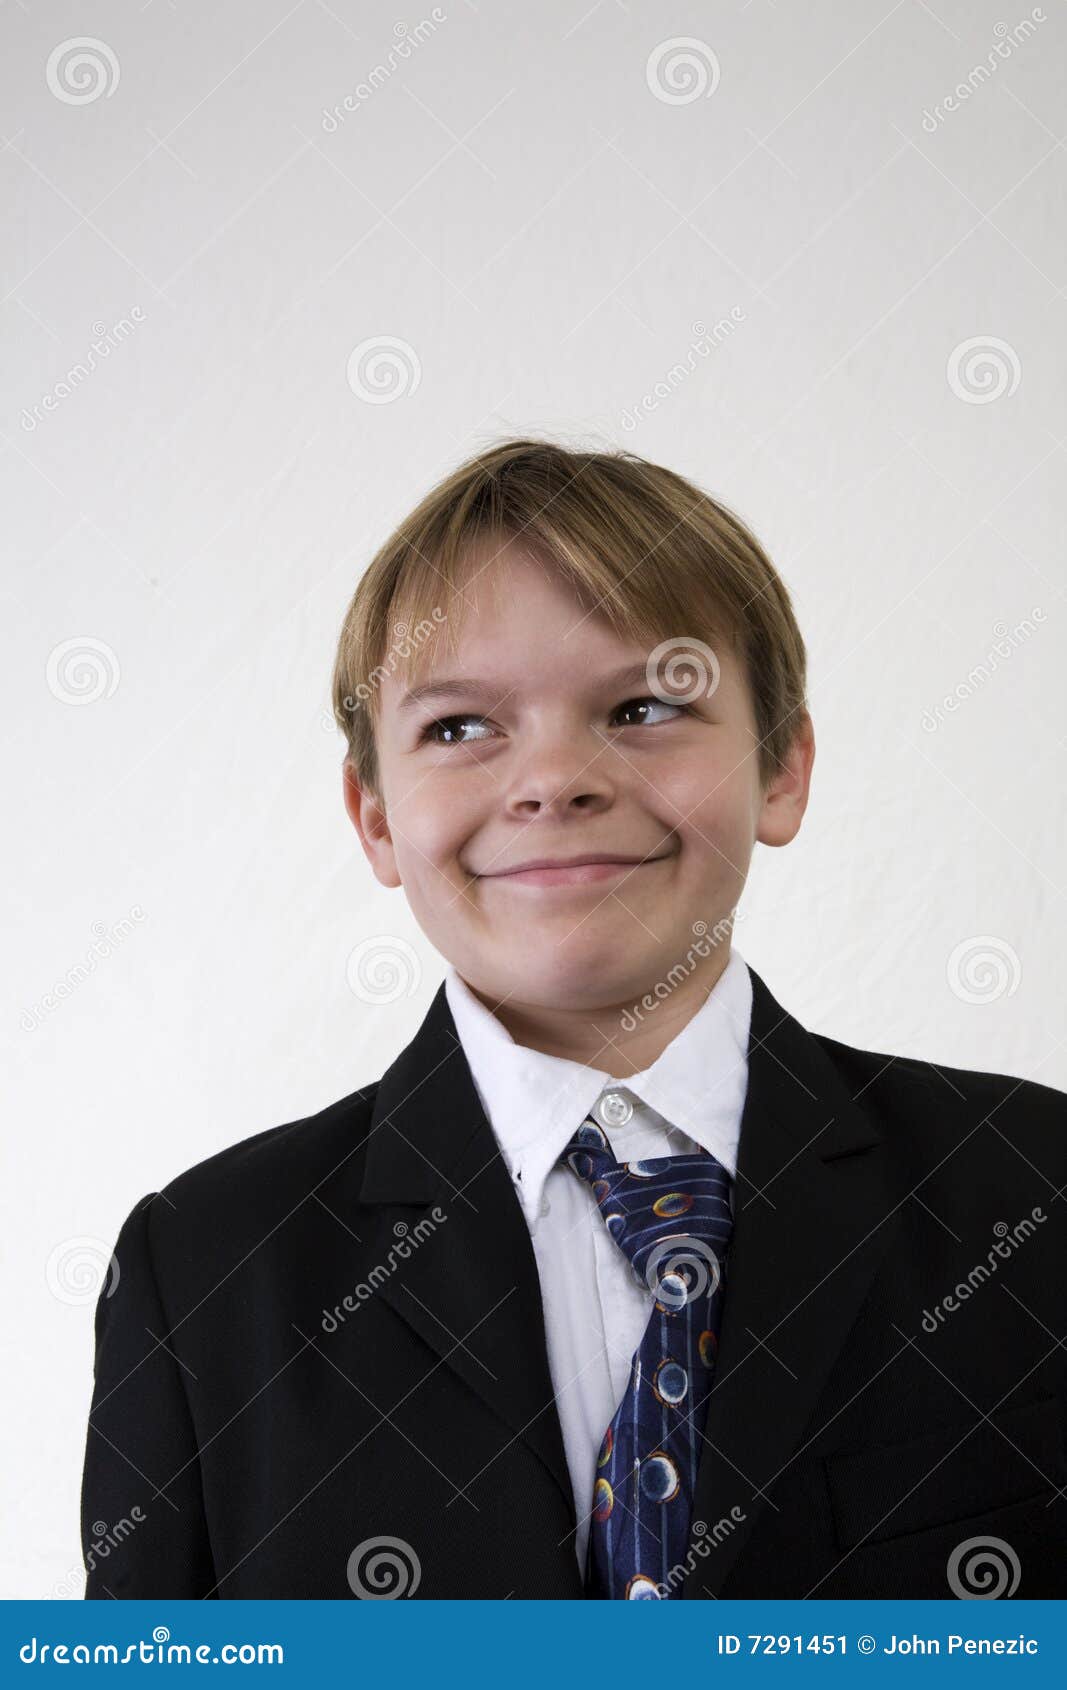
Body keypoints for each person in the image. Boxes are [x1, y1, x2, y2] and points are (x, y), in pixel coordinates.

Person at [81, 439, 1067, 1599]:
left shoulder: (1031, 1191)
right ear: (375, 818)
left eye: (645, 705)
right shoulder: (203, 1268)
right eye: (458, 728)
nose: (553, 777)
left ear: (781, 768)